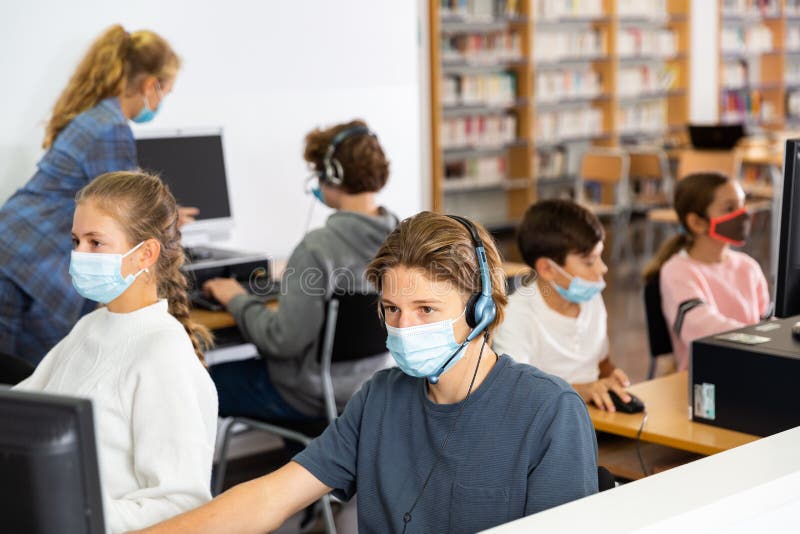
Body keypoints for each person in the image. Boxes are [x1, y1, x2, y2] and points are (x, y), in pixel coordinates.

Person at [133, 211, 598, 534]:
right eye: (392, 308)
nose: (403, 327)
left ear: (480, 309)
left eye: (426, 309)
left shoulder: (549, 413)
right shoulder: (380, 397)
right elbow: (271, 498)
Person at [15, 171, 217, 534]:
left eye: (96, 243)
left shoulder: (162, 354)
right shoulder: (92, 326)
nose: (79, 255)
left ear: (146, 254)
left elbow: (181, 505)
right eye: (76, 241)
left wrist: (75, 513)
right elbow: (24, 411)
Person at [0, 24, 195, 365]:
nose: (162, 101)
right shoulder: (111, 128)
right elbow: (123, 217)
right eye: (167, 91)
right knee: (35, 391)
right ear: (151, 85)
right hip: (25, 267)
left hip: (16, 254)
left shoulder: (97, 116)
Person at [203, 120, 397, 419]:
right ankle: (311, 458)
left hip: (308, 395)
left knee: (201, 382)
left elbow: (282, 341)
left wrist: (236, 299)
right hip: (369, 391)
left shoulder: (317, 249)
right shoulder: (404, 241)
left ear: (332, 175)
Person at [493, 199, 633, 412]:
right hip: (547, 425)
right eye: (589, 262)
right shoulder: (516, 316)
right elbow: (517, 392)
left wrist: (611, 377)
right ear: (548, 268)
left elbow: (601, 364)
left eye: (600, 256)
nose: (602, 268)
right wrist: (581, 391)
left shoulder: (592, 299)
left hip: (596, 417)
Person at [643, 172, 770, 371]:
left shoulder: (749, 267)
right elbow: (701, 328)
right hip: (706, 379)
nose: (743, 214)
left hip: (752, 368)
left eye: (742, 204)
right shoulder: (677, 271)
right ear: (696, 222)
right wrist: (762, 337)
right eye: (730, 208)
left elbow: (769, 321)